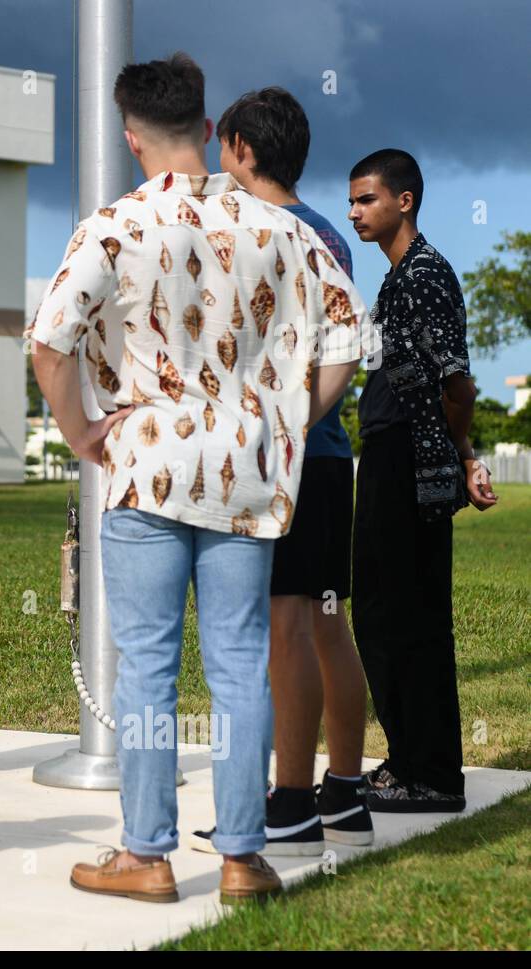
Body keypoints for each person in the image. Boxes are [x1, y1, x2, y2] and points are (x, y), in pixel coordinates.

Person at [30, 53, 367, 904]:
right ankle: (244, 858)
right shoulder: (281, 228)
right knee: (240, 662)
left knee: (148, 665)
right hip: (245, 471)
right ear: (209, 128)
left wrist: (80, 433)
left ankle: (146, 855)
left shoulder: (113, 225)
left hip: (146, 464)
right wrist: (290, 424)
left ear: (130, 136)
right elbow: (345, 340)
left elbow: (50, 342)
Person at [189, 87, 373, 856]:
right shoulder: (330, 234)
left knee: (284, 628)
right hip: (329, 455)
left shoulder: (256, 234)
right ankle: (345, 794)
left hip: (282, 459)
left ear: (241, 149)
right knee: (328, 622)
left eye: (222, 149)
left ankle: (291, 805)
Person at [348, 148, 497, 813]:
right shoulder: (399, 276)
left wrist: (456, 453)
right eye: (352, 201)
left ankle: (432, 775)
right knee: (385, 615)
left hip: (409, 461)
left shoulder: (425, 275)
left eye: (367, 199)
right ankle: (410, 761)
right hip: (391, 457)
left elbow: (456, 383)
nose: (355, 212)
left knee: (407, 619)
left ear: (403, 200)